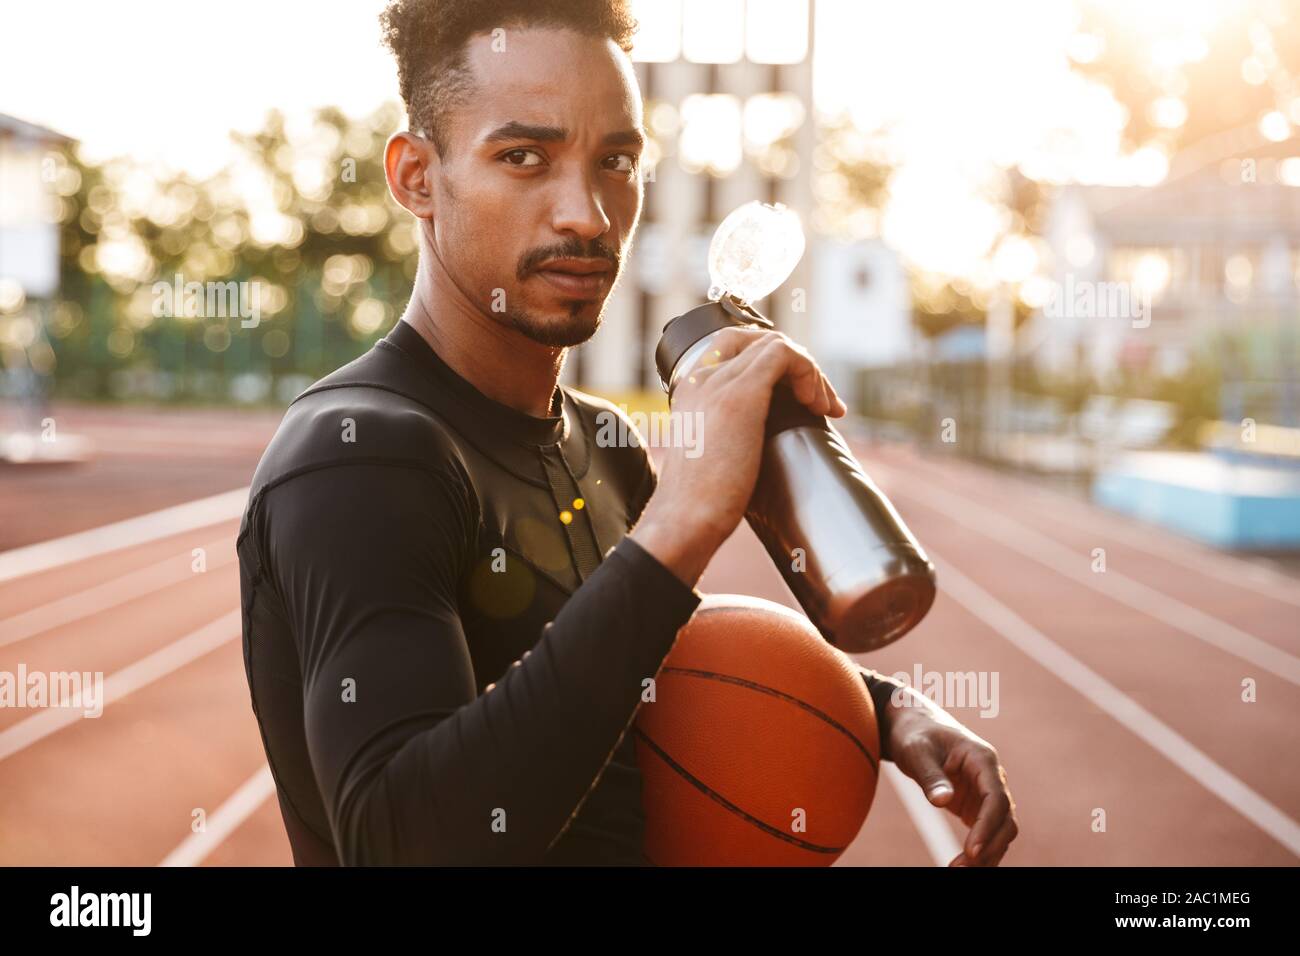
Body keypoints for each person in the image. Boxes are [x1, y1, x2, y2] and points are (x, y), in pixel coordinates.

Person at [236, 0, 1019, 866]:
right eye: (524, 156)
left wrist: (881, 710)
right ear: (417, 175)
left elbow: (657, 669)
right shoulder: (361, 457)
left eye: (616, 160)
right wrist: (681, 520)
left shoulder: (603, 445)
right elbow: (402, 843)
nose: (589, 215)